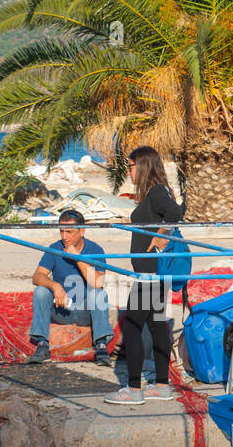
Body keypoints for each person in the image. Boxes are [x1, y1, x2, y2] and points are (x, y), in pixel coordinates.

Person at [105, 145, 183, 405]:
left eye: (130, 165)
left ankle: (134, 389)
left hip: (150, 277)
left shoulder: (157, 192)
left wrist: (161, 238)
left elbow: (175, 213)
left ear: (144, 165)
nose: (128, 171)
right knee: (157, 326)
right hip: (153, 277)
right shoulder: (153, 192)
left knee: (132, 326)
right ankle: (161, 385)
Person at [29, 208, 112, 364]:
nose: (64, 237)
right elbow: (37, 276)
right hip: (61, 308)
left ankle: (101, 345)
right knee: (41, 291)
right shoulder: (55, 248)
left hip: (85, 311)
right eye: (61, 231)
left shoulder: (95, 250)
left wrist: (77, 258)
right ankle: (42, 344)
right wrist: (54, 286)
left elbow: (97, 283)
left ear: (82, 231)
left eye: (69, 232)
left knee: (99, 294)